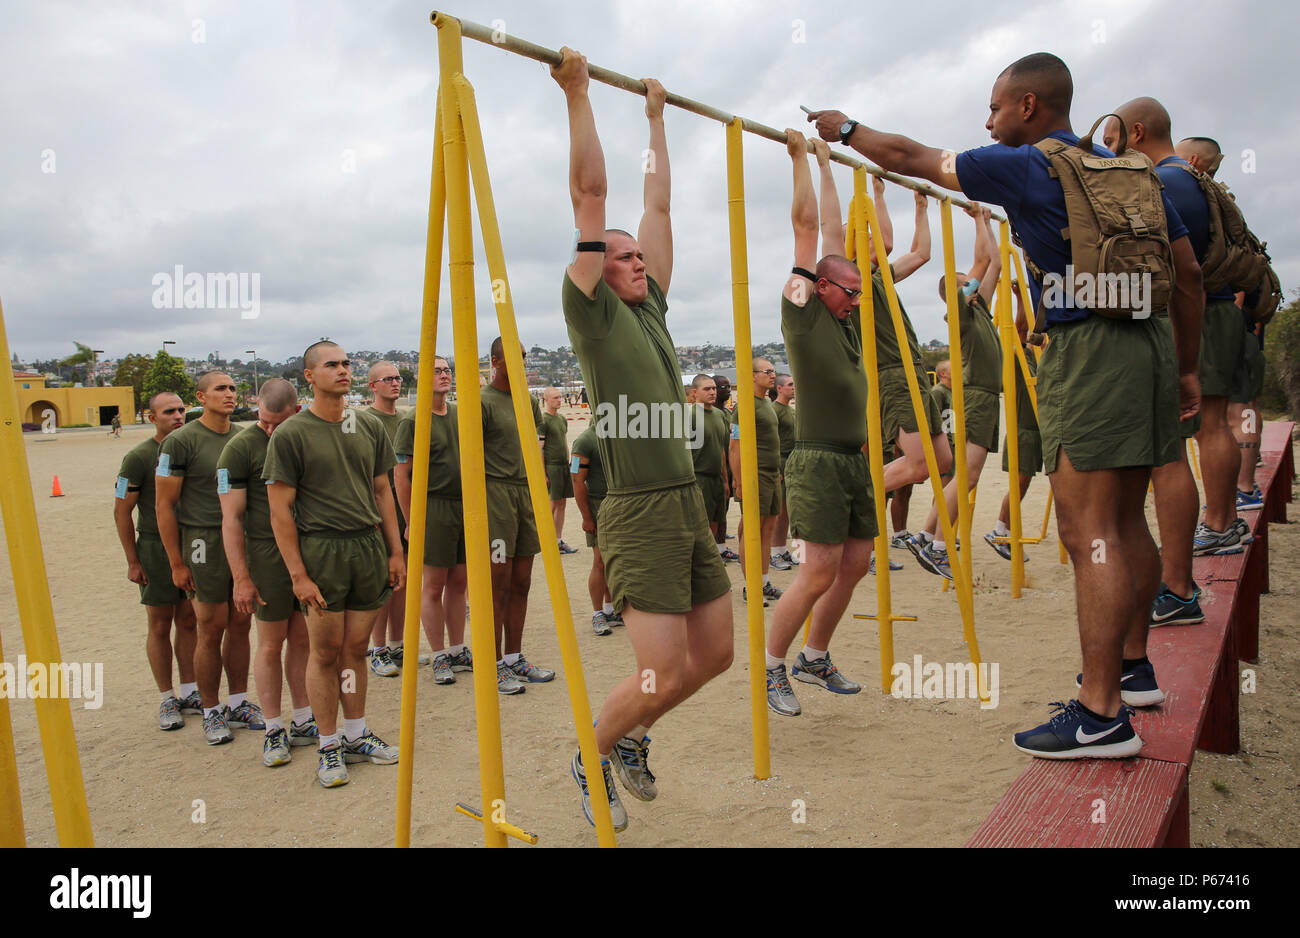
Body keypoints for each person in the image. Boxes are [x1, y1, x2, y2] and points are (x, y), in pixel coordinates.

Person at [808, 50, 1204, 757]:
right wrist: (1187, 368)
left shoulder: (1024, 164)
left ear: (1027, 107)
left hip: (1089, 354)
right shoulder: (1129, 173)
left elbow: (908, 155)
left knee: (1089, 535)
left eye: (994, 107)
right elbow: (1189, 272)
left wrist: (844, 130)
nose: (986, 121)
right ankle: (1133, 670)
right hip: (1151, 345)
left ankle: (1100, 712)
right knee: (1126, 519)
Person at [555, 49, 734, 831]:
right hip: (635, 509)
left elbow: (657, 209)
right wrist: (580, 94)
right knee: (661, 666)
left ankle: (629, 740)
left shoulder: (652, 309)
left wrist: (656, 120)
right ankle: (589, 751)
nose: (633, 262)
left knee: (716, 655)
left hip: (685, 502)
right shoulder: (593, 315)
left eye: (636, 258)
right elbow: (592, 194)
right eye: (619, 255)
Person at [1107, 102, 1251, 570]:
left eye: (1113, 143)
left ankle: (1217, 525)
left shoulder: (1166, 180)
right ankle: (1224, 519)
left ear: (1137, 133)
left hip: (1202, 311)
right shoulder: (1193, 179)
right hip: (1222, 307)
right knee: (1215, 421)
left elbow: (1179, 267)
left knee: (1192, 432)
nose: (1111, 154)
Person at [764, 131, 876, 718]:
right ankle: (772, 666)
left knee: (855, 564)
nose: (857, 300)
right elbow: (809, 232)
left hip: (852, 459)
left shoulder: (845, 316)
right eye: (849, 292)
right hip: (815, 459)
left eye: (859, 293)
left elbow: (834, 236)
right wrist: (800, 160)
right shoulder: (804, 311)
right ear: (820, 285)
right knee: (818, 571)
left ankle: (815, 656)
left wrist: (830, 164)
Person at [264, 342, 404, 788]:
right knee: (324, 652)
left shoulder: (367, 426)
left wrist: (395, 549)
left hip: (367, 548)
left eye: (346, 363)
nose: (342, 370)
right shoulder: (291, 434)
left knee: (355, 650)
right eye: (331, 364)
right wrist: (298, 576)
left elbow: (383, 491)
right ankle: (328, 745)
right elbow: (279, 511)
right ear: (309, 376)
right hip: (322, 551)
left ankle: (356, 733)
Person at [155, 372, 262, 746]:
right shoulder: (180, 442)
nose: (230, 394)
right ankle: (212, 710)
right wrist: (176, 562)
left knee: (241, 623)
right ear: (201, 396)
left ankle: (238, 702)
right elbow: (164, 506)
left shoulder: (244, 437)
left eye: (233, 388)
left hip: (243, 540)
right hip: (201, 540)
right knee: (210, 625)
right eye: (221, 388)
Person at [217, 378, 317, 766]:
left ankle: (305, 719)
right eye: (265, 421)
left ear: (296, 411)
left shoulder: (303, 436)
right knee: (271, 642)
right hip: (266, 556)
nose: (271, 430)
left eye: (279, 422)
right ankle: (274, 728)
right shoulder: (240, 448)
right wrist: (241, 577)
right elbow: (231, 519)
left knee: (304, 640)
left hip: (307, 553)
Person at [908, 205, 1003, 580]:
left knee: (966, 475)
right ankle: (935, 540)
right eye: (967, 283)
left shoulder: (981, 310)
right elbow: (982, 263)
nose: (975, 285)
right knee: (968, 476)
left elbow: (991, 262)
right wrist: (979, 220)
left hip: (985, 397)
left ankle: (925, 536)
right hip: (976, 395)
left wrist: (985, 224)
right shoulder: (961, 311)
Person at [113, 391, 198, 731]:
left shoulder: (193, 447)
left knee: (191, 621)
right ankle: (167, 697)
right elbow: (122, 510)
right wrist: (133, 560)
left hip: (192, 546)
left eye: (181, 410)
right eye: (168, 412)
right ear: (152, 417)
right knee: (160, 623)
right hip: (154, 549)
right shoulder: (138, 457)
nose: (178, 416)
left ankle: (191, 691)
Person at [481, 337, 555, 694]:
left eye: (524, 355)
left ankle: (514, 657)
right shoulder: (481, 402)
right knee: (496, 584)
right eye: (514, 356)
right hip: (495, 495)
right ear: (496, 361)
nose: (522, 361)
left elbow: (536, 446)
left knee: (522, 581)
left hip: (525, 494)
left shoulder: (527, 400)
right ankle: (493, 663)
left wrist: (539, 484)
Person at [393, 356, 471, 686]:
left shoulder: (457, 413)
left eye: (446, 370)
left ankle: (457, 648)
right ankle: (439, 654)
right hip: (434, 508)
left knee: (460, 583)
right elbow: (402, 475)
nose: (443, 375)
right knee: (434, 584)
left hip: (462, 507)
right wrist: (412, 520)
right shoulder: (413, 421)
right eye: (436, 371)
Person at [988, 283, 1044, 560]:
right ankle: (1000, 530)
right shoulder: (1016, 360)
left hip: (1039, 431)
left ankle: (1003, 529)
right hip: (1025, 431)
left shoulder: (1034, 362)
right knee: (1019, 484)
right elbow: (1020, 328)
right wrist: (1022, 297)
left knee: (1026, 484)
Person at [363, 361, 410, 678]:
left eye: (398, 378)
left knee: (402, 582)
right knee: (381, 584)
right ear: (372, 386)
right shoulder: (365, 422)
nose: (395, 383)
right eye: (388, 379)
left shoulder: (406, 419)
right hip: (379, 514)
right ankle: (377, 648)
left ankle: (397, 644)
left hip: (405, 510)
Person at [730, 357, 785, 605]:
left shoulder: (766, 404)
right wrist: (739, 480)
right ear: (752, 375)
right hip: (756, 475)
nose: (772, 376)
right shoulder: (746, 405)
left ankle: (762, 582)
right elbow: (735, 446)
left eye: (774, 371)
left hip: (772, 475)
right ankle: (751, 587)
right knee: (751, 531)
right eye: (767, 371)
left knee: (768, 530)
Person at [571, 422, 622, 635]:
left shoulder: (620, 436)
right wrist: (586, 517)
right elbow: (576, 478)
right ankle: (597, 613)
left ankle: (611, 609)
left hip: (620, 504)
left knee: (616, 560)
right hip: (597, 505)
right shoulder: (584, 441)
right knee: (600, 561)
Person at [689, 374, 733, 560]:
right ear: (695, 392)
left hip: (717, 478)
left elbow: (721, 449)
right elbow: (682, 453)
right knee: (700, 526)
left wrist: (725, 479)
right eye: (707, 389)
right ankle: (700, 562)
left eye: (714, 388)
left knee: (717, 520)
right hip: (698, 478)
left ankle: (712, 559)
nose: (713, 392)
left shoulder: (719, 415)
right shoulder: (689, 416)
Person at [542, 386, 579, 554]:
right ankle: (546, 540)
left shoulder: (562, 419)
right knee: (552, 504)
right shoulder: (543, 421)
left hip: (564, 466)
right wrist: (543, 473)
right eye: (555, 397)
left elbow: (564, 441)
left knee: (562, 503)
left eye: (560, 397)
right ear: (546, 400)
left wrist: (571, 463)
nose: (560, 399)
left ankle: (558, 540)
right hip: (551, 467)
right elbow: (539, 448)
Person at [769, 373, 798, 568]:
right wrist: (775, 467)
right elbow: (771, 440)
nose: (793, 387)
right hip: (780, 461)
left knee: (788, 510)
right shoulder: (775, 410)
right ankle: (773, 553)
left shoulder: (792, 410)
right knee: (779, 511)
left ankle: (781, 548)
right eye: (790, 384)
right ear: (779, 388)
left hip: (792, 462)